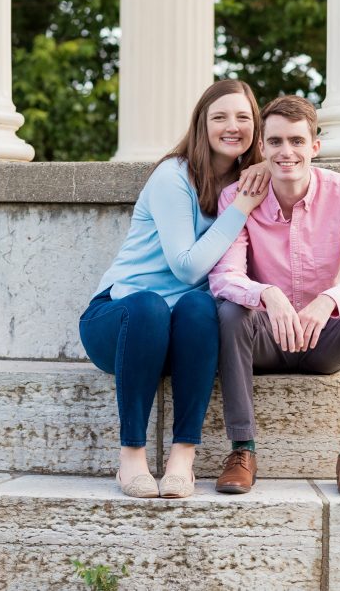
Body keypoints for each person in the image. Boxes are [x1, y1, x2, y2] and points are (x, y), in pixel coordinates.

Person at [79, 80, 270, 498]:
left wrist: (269, 167)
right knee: (150, 304)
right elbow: (186, 266)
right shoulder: (174, 176)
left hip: (182, 332)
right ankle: (131, 456)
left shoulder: (248, 182)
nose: (232, 126)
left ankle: (183, 456)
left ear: (256, 126)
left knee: (201, 306)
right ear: (201, 124)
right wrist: (241, 208)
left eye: (243, 117)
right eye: (219, 116)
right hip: (119, 321)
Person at [209, 95, 340, 496]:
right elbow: (224, 277)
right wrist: (269, 294)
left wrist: (329, 300)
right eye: (275, 142)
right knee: (228, 313)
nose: (286, 151)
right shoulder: (238, 196)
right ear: (261, 147)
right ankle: (242, 450)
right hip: (267, 338)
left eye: (296, 141)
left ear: (315, 147)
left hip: (323, 338)